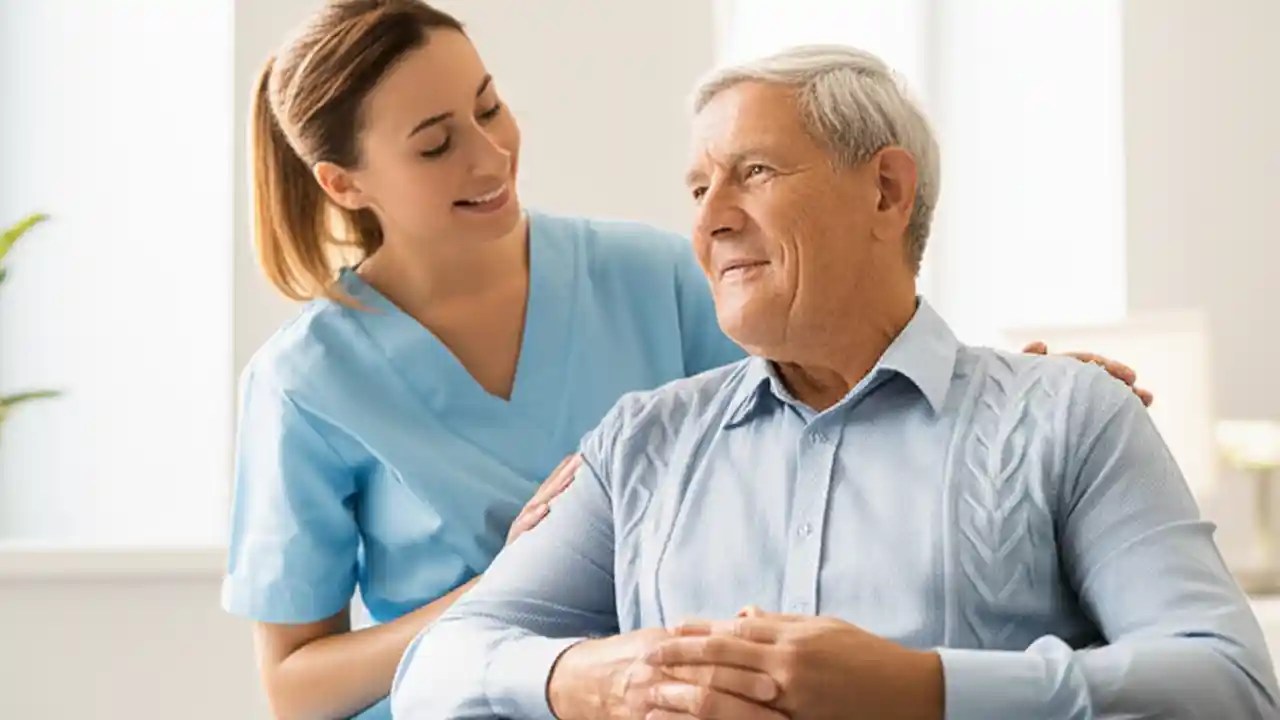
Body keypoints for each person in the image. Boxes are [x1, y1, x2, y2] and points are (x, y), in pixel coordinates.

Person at [222, 3, 1150, 719]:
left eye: (489, 104)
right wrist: (503, 604)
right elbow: (295, 685)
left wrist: (1019, 395)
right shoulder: (305, 383)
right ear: (345, 184)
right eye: (436, 144)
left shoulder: (652, 273)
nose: (491, 152)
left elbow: (831, 394)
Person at [389, 44, 1278, 720]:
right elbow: (438, 666)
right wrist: (585, 677)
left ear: (887, 190)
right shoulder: (643, 443)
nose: (710, 217)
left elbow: (1228, 679)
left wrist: (924, 689)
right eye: (697, 188)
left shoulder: (1071, 415)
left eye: (754, 172)